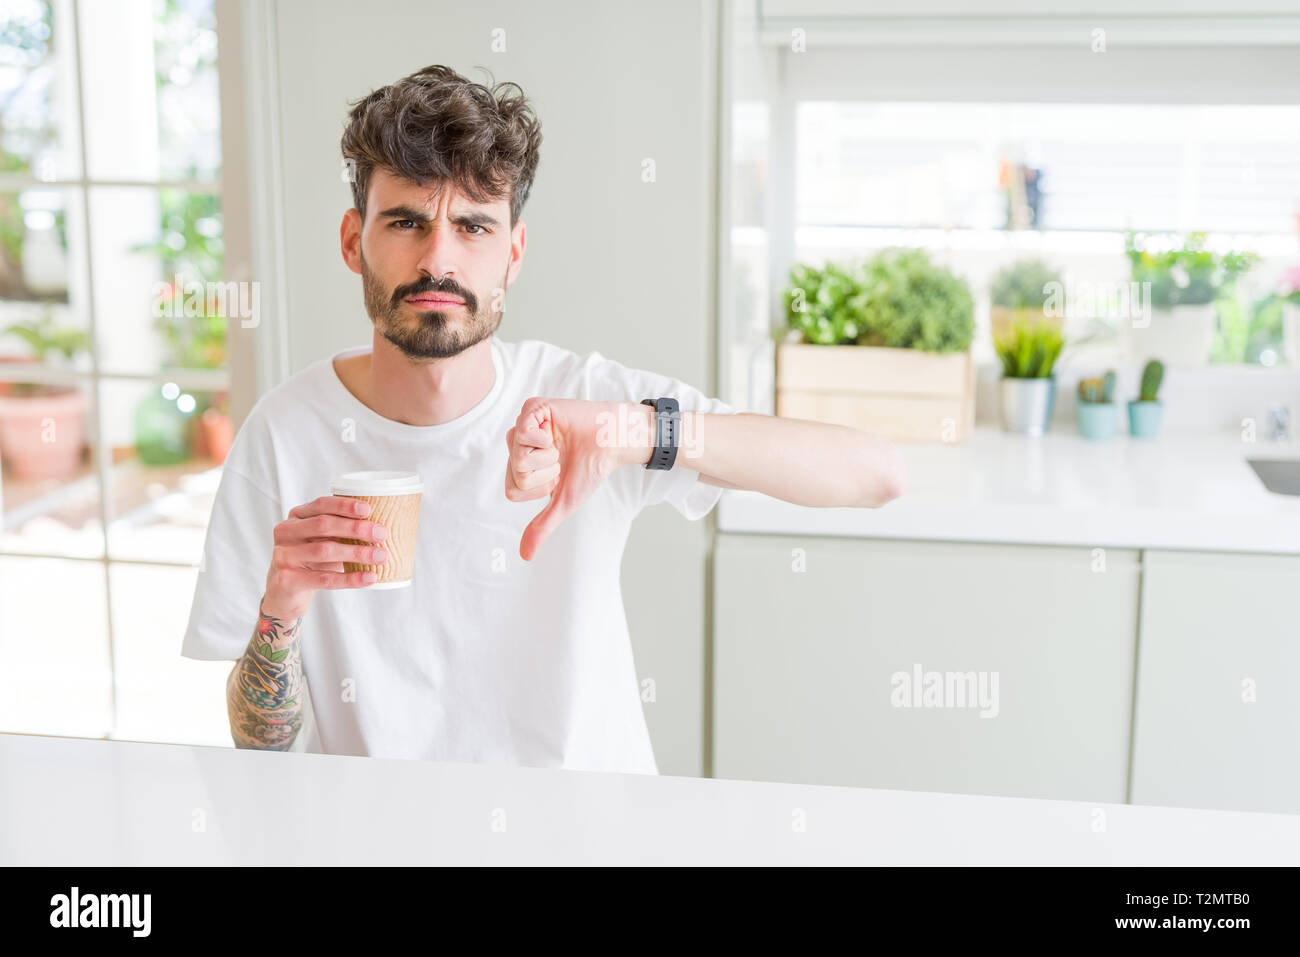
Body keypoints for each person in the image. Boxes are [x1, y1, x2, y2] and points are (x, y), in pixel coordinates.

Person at [180, 64, 906, 774]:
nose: (439, 259)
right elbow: (261, 748)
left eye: (473, 227)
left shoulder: (583, 401)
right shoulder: (282, 435)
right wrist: (279, 608)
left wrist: (637, 432)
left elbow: (876, 473)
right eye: (405, 221)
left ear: (513, 254)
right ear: (352, 240)